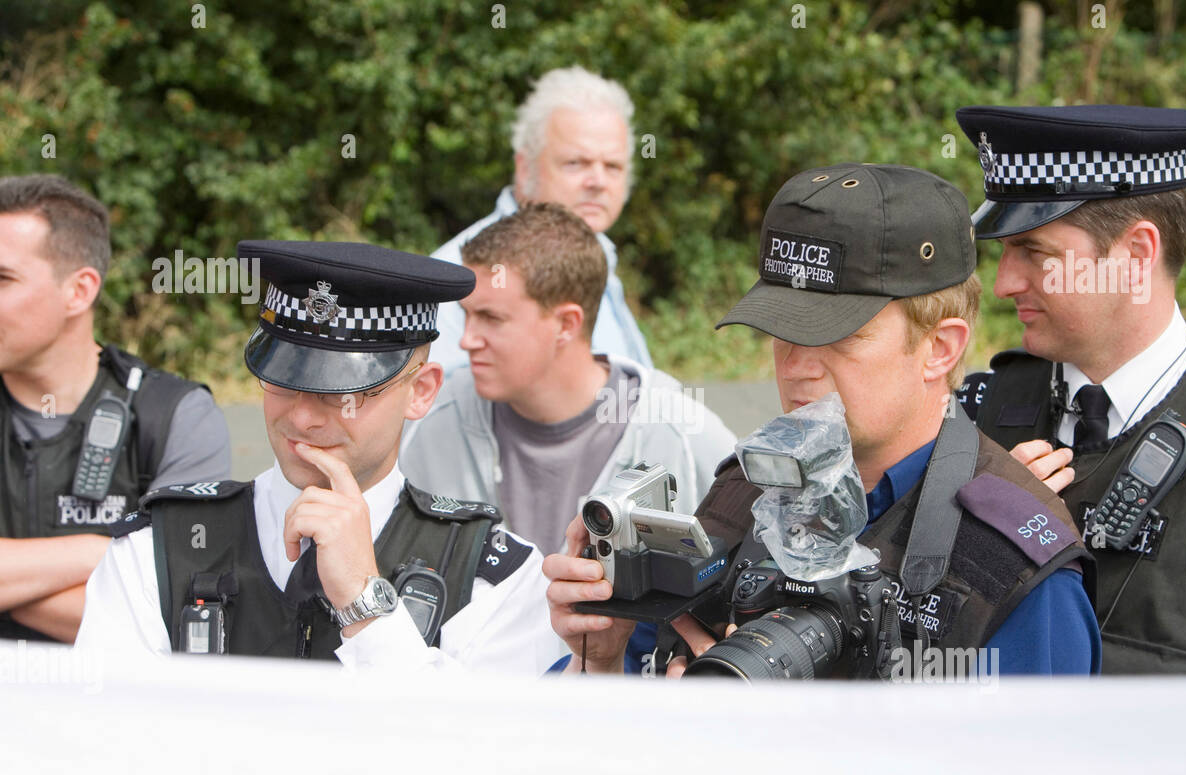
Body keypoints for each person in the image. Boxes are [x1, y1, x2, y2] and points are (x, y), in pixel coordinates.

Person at [545, 163, 1101, 679]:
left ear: (939, 348)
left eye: (838, 336)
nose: (798, 366)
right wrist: (600, 657)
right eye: (779, 330)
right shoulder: (743, 495)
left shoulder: (1008, 566)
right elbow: (597, 751)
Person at [76, 240, 565, 674]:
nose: (303, 418)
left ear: (421, 391)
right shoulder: (157, 547)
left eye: (340, 392)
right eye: (283, 380)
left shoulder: (488, 570)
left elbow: (479, 753)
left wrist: (366, 606)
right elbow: (110, 740)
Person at [954, 105, 1186, 674]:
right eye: (1004, 252)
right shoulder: (975, 416)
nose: (1003, 284)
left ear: (1135, 255)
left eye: (1035, 253)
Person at [401, 202, 734, 558]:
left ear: (566, 324)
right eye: (467, 315)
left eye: (491, 318)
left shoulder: (681, 436)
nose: (466, 339)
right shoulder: (429, 422)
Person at [0, 174, 229, 644]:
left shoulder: (176, 416)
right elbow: (136, 598)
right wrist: (100, 552)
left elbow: (177, 616)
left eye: (3, 279)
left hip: (109, 714)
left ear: (79, 290)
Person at [426, 66, 652, 371]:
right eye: (576, 163)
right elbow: (427, 409)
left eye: (613, 166)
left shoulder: (599, 255)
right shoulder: (458, 278)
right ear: (525, 168)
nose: (598, 181)